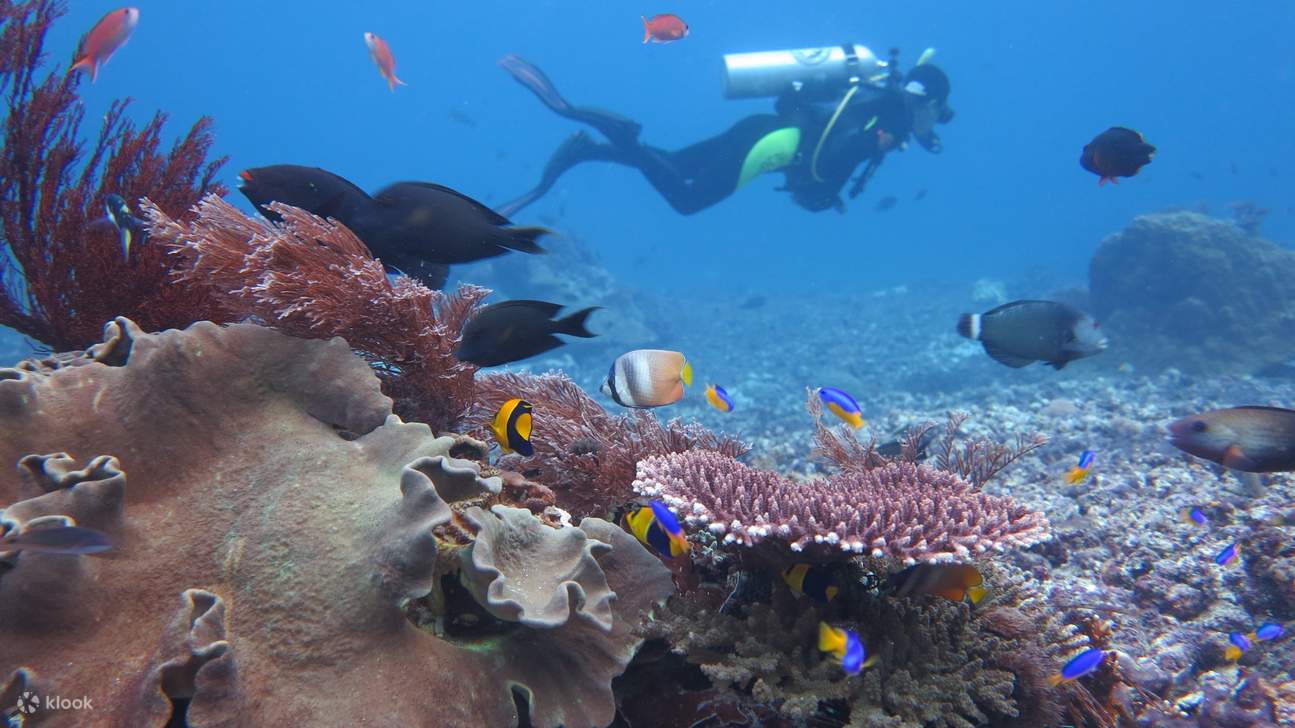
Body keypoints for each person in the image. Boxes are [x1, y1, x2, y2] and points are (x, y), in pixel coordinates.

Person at [496, 46, 954, 217]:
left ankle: (588, 151)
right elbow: (835, 159)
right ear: (929, 103)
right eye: (939, 112)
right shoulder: (893, 120)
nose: (934, 123)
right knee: (688, 200)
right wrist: (823, 194)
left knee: (675, 164)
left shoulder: (872, 97)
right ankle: (620, 132)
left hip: (764, 128)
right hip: (777, 145)